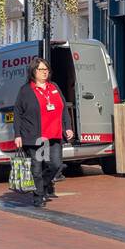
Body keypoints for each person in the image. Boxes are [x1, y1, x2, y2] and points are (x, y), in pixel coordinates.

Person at [12, 58, 74, 209]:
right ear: (33, 71)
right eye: (41, 69)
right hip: (35, 136)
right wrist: (17, 135)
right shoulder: (26, 90)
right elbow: (18, 113)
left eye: (46, 69)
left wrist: (68, 127)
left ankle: (43, 186)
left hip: (54, 135)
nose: (45, 72)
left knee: (55, 165)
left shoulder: (54, 87)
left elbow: (63, 108)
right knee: (37, 168)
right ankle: (38, 196)